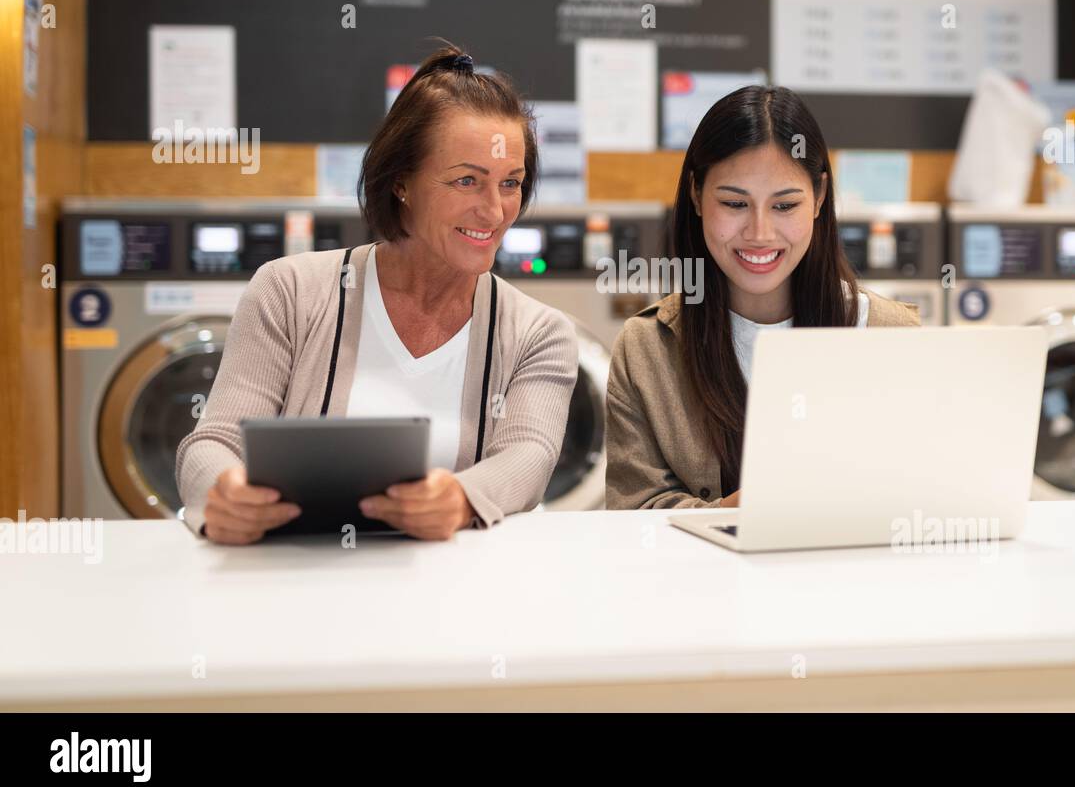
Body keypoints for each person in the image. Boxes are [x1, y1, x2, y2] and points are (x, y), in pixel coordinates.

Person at [177, 45, 578, 543]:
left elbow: (528, 458)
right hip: (293, 581)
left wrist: (456, 500)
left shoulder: (539, 333)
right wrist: (224, 493)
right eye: (467, 181)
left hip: (458, 597)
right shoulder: (290, 292)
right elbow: (211, 443)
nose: (494, 211)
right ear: (401, 182)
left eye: (511, 183)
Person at [605, 85, 920, 509]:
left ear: (819, 197)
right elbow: (632, 516)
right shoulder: (647, 349)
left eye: (784, 206)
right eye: (735, 203)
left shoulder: (890, 334)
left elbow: (921, 498)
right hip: (700, 578)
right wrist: (745, 511)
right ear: (697, 195)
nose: (759, 234)